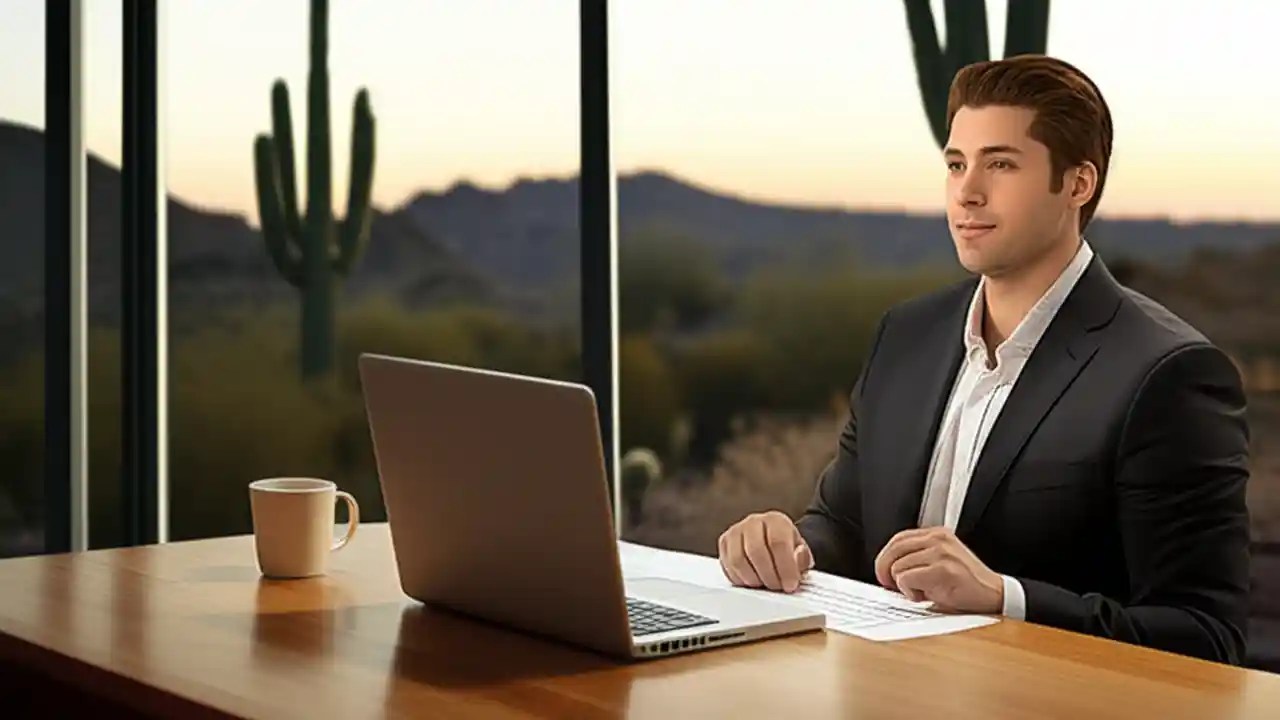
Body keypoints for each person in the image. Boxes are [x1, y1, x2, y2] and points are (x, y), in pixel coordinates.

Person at [716, 54, 1251, 665]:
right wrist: (786, 546)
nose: (967, 192)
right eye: (955, 164)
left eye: (1000, 164)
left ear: (1078, 184)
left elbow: (1207, 637)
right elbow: (842, 525)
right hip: (879, 693)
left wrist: (1005, 597)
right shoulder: (906, 335)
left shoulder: (1169, 375)